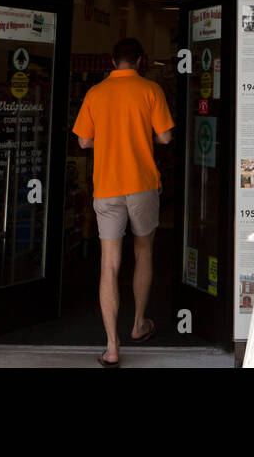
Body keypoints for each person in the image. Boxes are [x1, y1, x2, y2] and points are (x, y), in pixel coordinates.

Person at [73, 37, 175, 367]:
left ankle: (112, 346)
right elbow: (165, 137)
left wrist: (109, 136)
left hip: (107, 187)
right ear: (141, 61)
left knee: (109, 263)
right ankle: (138, 325)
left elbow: (83, 141)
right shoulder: (150, 90)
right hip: (142, 184)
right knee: (143, 251)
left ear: (112, 61)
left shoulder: (96, 93)